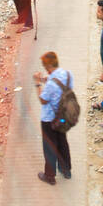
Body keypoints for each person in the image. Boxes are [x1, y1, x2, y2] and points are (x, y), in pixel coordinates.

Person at [34, 51, 73, 184]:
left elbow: (43, 100)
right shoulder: (67, 75)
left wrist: (38, 84)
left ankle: (50, 176)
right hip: (63, 117)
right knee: (62, 142)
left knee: (50, 146)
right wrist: (45, 80)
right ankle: (66, 170)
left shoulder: (50, 85)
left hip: (49, 120)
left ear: (47, 66)